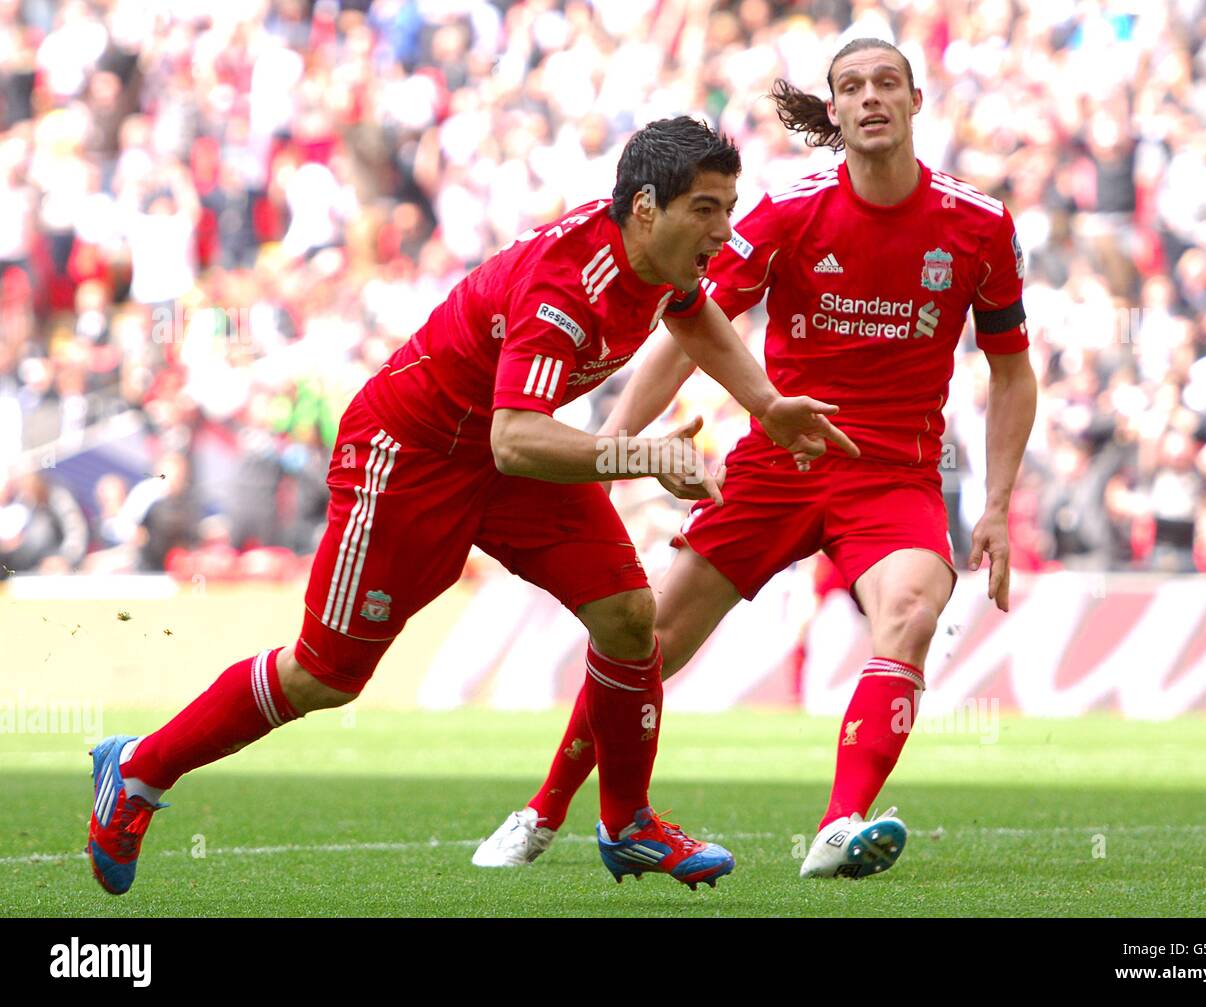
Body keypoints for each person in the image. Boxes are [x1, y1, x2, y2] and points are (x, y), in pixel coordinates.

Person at [86, 116, 857, 895]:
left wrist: (766, 402)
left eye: (728, 206)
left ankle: (627, 823)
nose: (725, 230)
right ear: (647, 207)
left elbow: (692, 315)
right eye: (708, 209)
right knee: (326, 674)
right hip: (411, 457)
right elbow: (516, 440)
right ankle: (141, 768)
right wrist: (642, 455)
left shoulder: (658, 257)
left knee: (628, 614)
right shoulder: (566, 282)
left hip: (498, 454)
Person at [476, 39, 1038, 880]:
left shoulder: (980, 224)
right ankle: (544, 809)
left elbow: (1012, 368)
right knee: (650, 639)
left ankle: (841, 823)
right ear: (837, 111)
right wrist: (613, 450)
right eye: (853, 87)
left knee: (913, 610)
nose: (871, 98)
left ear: (916, 101)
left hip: (895, 474)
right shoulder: (787, 211)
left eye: (888, 83)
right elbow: (686, 322)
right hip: (777, 465)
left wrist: (994, 504)